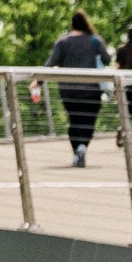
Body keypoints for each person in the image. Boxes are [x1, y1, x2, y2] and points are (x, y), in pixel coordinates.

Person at [47, 12, 108, 164]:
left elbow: (50, 63)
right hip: (91, 90)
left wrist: (38, 82)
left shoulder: (63, 42)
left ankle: (76, 152)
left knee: (74, 120)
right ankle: (82, 147)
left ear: (72, 24)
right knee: (88, 121)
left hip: (69, 90)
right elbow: (107, 59)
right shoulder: (95, 41)